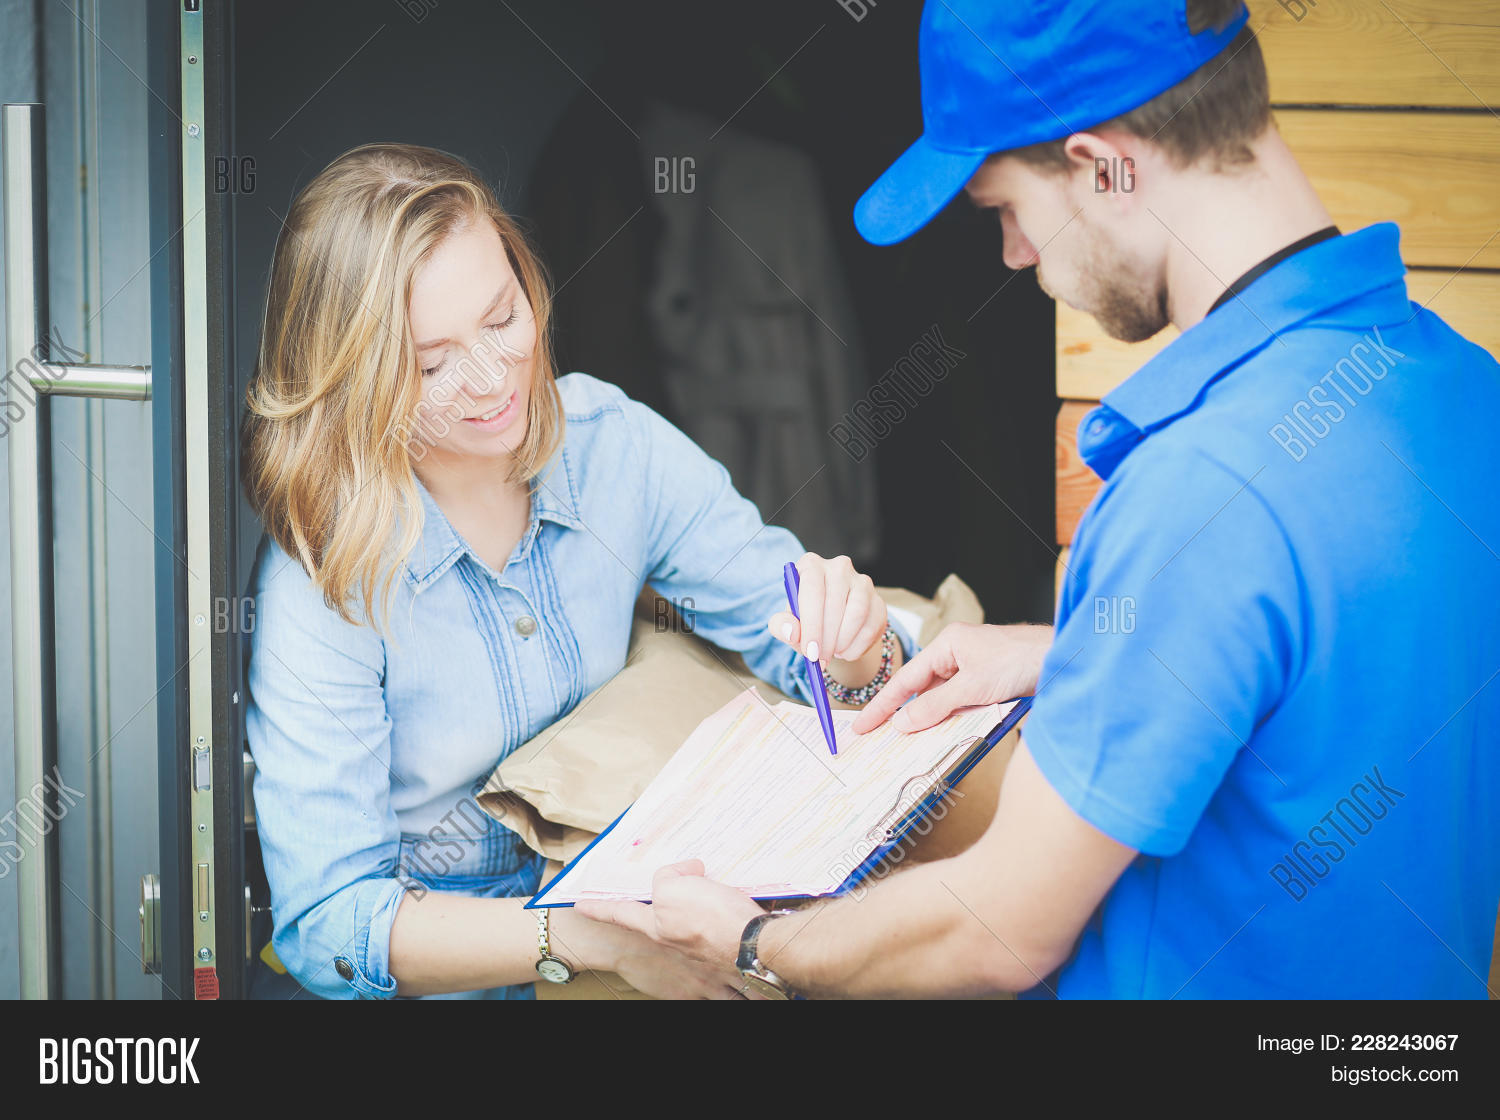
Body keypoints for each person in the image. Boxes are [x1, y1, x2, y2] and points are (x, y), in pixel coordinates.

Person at [582, 0, 1500, 998]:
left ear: (1104, 168)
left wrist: (756, 942)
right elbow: (1330, 667)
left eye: (1005, 209)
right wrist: (1079, 651)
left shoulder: (1196, 491)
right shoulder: (1462, 388)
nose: (1014, 255)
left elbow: (998, 932)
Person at [239, 141, 914, 1000]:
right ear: (353, 377)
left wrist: (854, 652)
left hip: (637, 918)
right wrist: (592, 940)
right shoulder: (322, 574)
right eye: (433, 363)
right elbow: (330, 926)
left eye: (502, 318)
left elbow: (792, 631)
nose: (493, 380)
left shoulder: (613, 447)